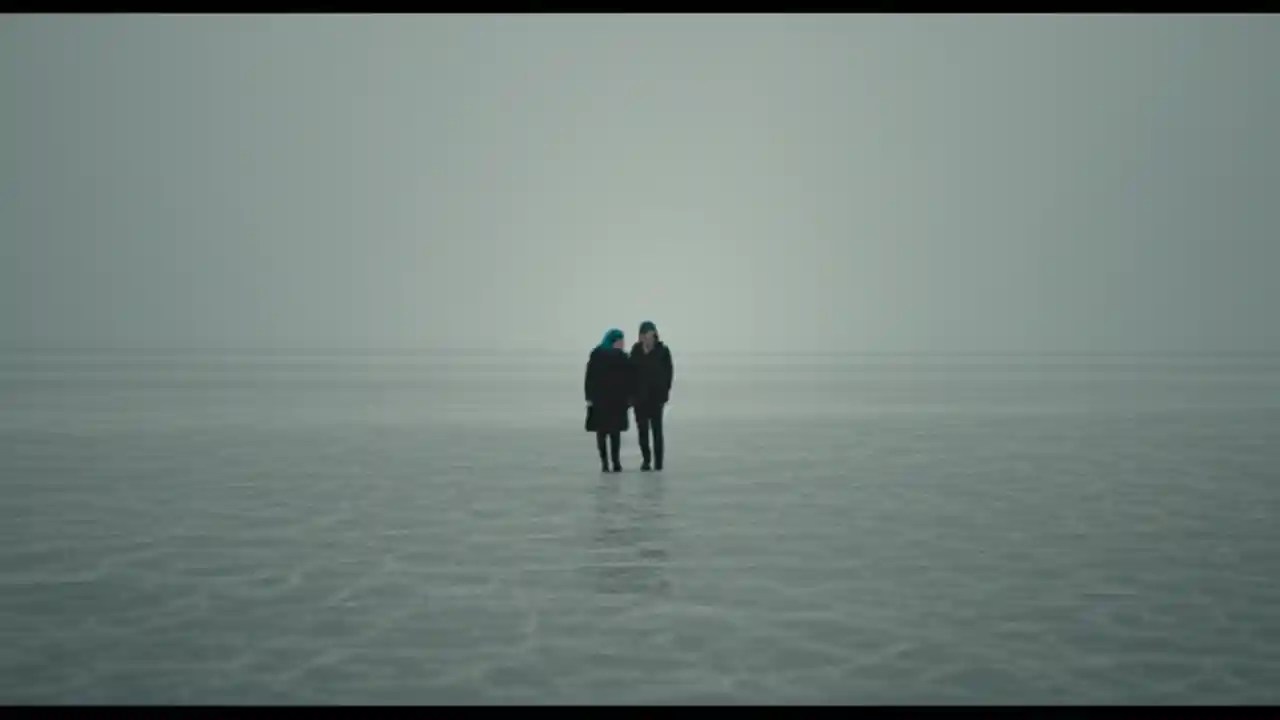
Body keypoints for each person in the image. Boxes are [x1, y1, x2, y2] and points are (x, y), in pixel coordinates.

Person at [584, 328, 635, 473]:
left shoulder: (599, 355)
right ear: (614, 341)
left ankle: (609, 462)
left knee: (607, 432)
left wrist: (589, 397)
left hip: (608, 400)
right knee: (610, 433)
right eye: (620, 341)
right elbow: (590, 378)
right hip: (610, 400)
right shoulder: (617, 358)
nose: (623, 343)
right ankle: (611, 462)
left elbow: (589, 378)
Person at [629, 321, 674, 472]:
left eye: (650, 335)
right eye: (645, 335)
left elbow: (669, 373)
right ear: (640, 336)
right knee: (642, 431)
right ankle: (646, 459)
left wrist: (665, 391)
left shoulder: (663, 351)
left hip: (656, 398)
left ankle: (658, 462)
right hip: (639, 398)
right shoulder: (635, 351)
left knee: (657, 431)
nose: (648, 338)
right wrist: (631, 395)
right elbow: (630, 373)